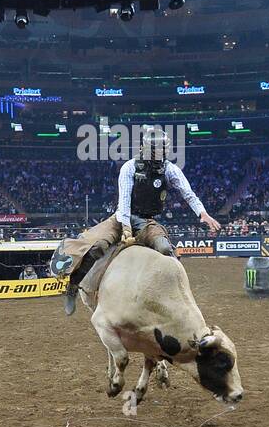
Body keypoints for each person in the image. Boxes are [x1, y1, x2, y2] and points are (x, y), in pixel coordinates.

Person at [51, 127, 221, 316]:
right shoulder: (130, 167)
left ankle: (175, 297)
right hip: (121, 217)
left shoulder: (170, 170)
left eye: (165, 149)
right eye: (160, 150)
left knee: (165, 249)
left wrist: (202, 213)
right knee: (97, 246)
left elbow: (188, 194)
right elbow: (124, 200)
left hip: (146, 221)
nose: (163, 154)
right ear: (148, 149)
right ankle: (73, 287)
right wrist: (125, 228)